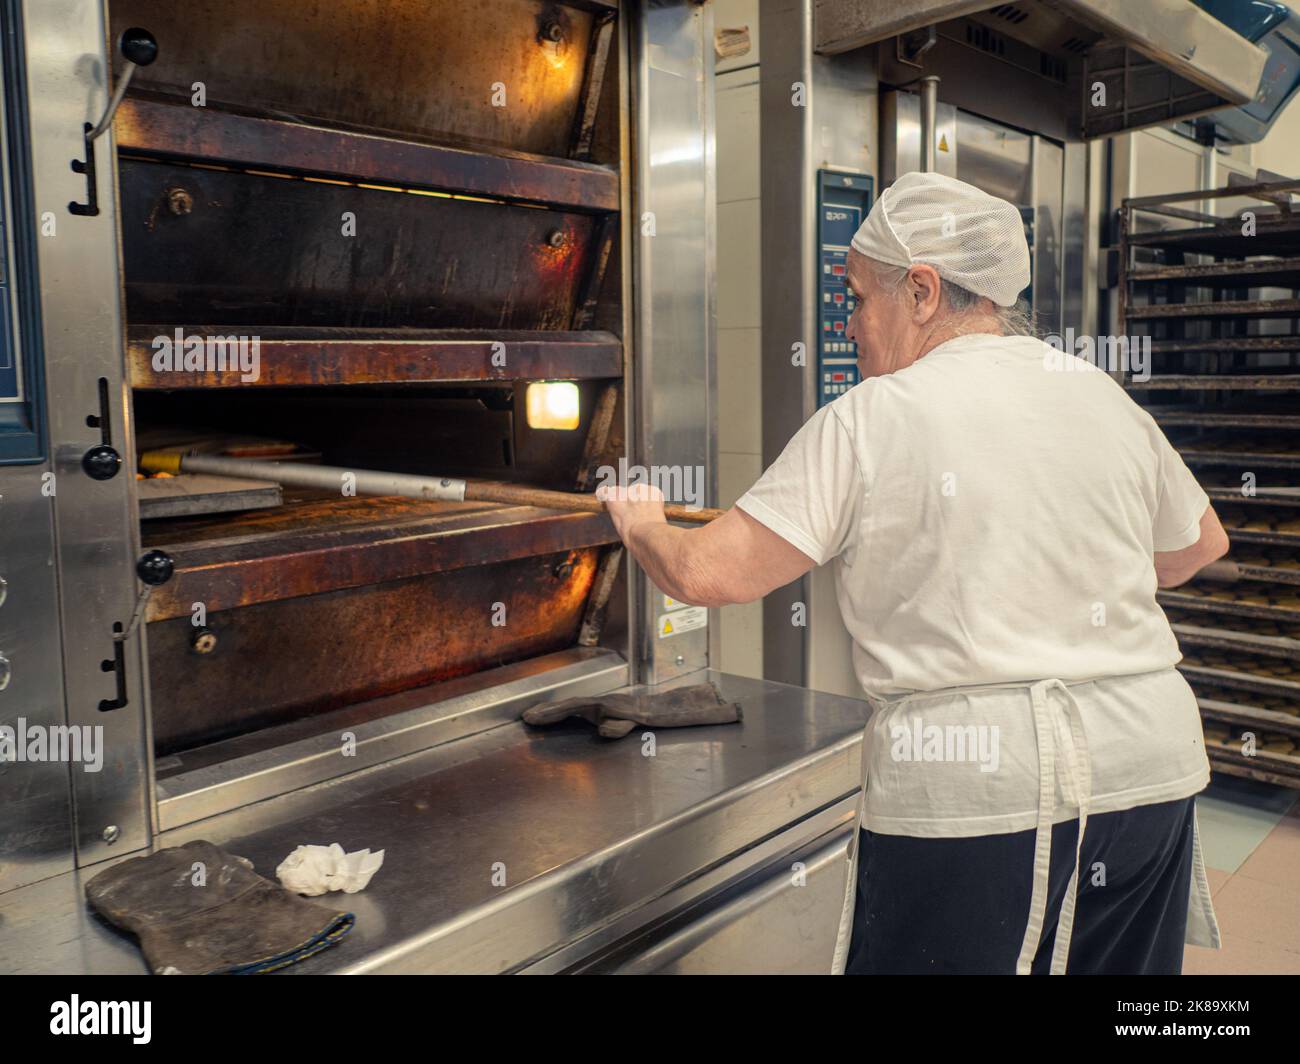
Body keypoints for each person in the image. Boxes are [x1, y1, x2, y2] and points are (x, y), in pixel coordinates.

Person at [597, 171, 1228, 974]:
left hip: (977, 792)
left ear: (923, 292)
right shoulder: (1098, 393)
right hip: (1150, 768)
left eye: (858, 299)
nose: (851, 326)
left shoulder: (873, 416)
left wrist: (643, 522)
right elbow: (1196, 547)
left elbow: (712, 573)